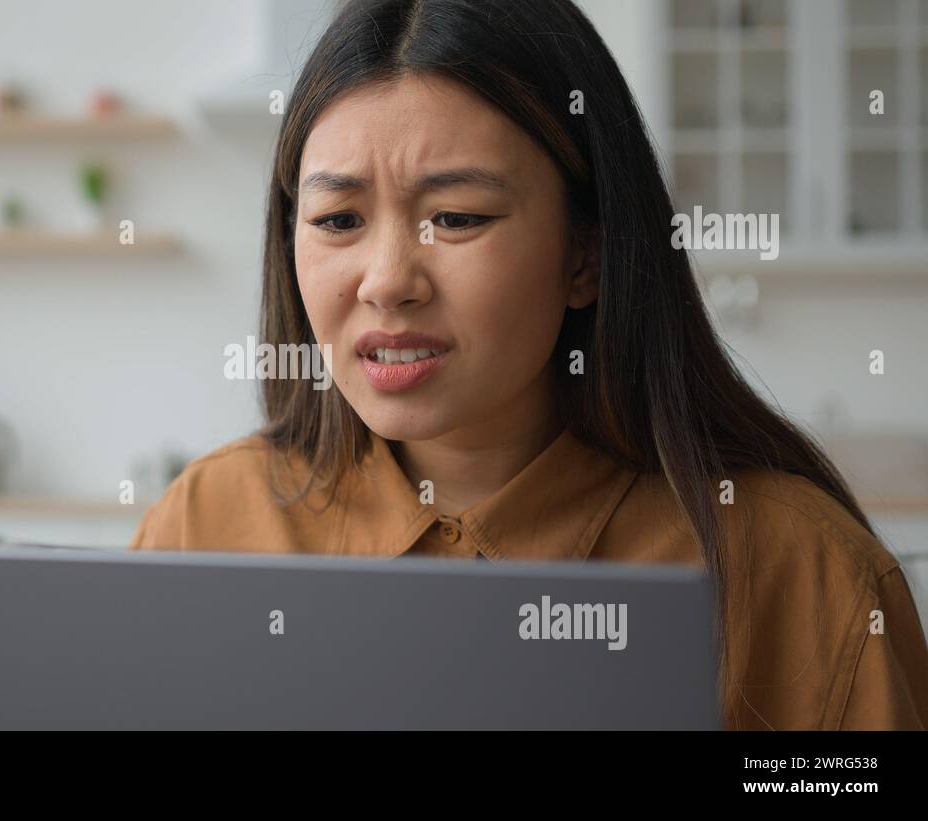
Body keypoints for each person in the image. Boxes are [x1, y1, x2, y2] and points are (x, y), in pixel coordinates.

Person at [131, 0, 928, 730]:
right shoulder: (205, 525)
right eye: (339, 219)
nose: (386, 282)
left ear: (587, 252)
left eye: (457, 217)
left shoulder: (804, 574)